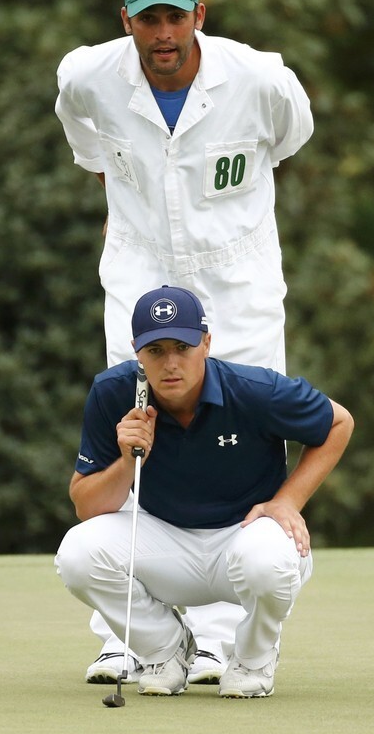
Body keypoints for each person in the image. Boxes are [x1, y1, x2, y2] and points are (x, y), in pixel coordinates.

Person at [55, 0, 316, 685]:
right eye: (148, 19)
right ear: (127, 22)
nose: (162, 33)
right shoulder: (88, 78)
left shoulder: (260, 80)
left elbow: (290, 138)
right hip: (139, 278)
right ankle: (124, 635)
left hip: (238, 282)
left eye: (175, 17)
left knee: (242, 440)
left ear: (199, 16)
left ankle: (220, 639)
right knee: (134, 428)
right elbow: (88, 146)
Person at [55, 286, 353, 698]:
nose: (171, 363)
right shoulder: (112, 393)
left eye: (183, 346)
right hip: (165, 543)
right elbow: (88, 506)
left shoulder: (252, 389)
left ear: (206, 343)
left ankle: (253, 659)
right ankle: (165, 650)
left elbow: (339, 423)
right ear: (137, 352)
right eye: (156, 350)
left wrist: (288, 501)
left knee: (269, 560)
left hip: (245, 537)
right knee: (76, 553)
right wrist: (127, 460)